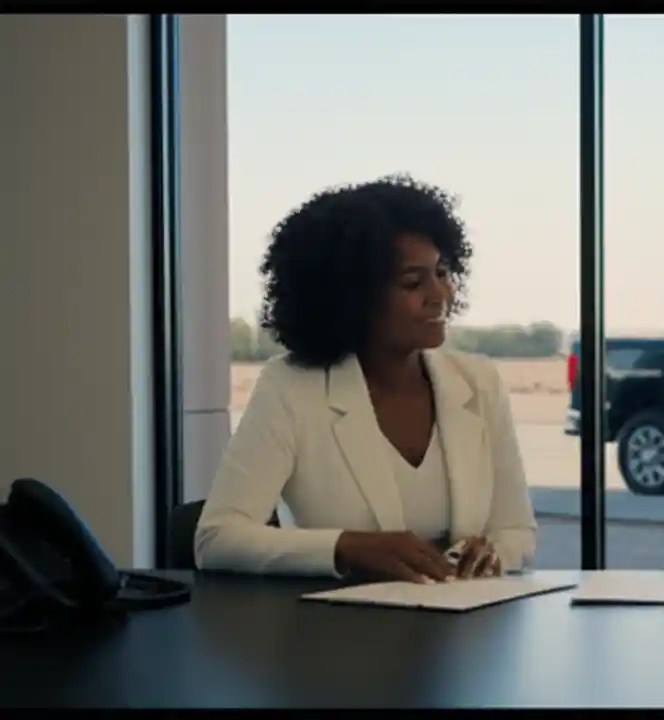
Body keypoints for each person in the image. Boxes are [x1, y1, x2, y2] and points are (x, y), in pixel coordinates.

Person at [196, 174, 537, 582]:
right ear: (352, 297)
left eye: (442, 272)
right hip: (344, 635)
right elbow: (217, 537)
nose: (439, 294)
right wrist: (346, 547)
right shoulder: (292, 388)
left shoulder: (479, 383)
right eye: (413, 281)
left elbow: (516, 530)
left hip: (465, 629)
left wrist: (492, 552)